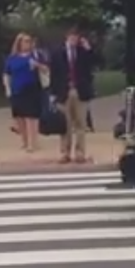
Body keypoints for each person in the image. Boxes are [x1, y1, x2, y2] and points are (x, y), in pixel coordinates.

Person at [48, 24, 96, 164]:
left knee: (81, 123)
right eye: (72, 37)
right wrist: (53, 93)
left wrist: (89, 50)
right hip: (64, 91)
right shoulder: (58, 52)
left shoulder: (83, 52)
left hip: (80, 90)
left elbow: (94, 64)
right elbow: (54, 74)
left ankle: (80, 152)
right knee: (65, 124)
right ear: (67, 37)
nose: (74, 40)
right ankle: (65, 152)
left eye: (77, 37)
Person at [2, 33, 44, 152]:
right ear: (19, 43)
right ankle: (25, 141)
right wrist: (7, 88)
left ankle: (33, 143)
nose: (28, 43)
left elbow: (46, 69)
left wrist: (37, 65)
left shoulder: (35, 56)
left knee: (31, 117)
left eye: (29, 41)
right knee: (20, 117)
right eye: (25, 41)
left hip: (31, 88)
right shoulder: (12, 58)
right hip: (17, 89)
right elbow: (6, 74)